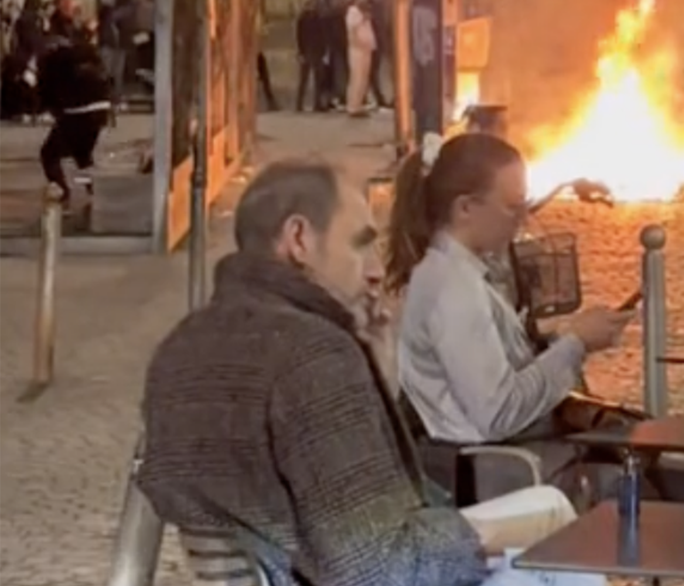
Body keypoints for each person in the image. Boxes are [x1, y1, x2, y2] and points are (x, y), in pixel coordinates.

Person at [138, 158, 597, 586]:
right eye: (360, 244)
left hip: (285, 562)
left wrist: (377, 374)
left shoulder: (181, 347)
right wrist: (472, 538)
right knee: (564, 544)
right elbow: (377, 567)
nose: (377, 270)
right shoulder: (310, 356)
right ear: (299, 239)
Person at [386, 133, 641, 498]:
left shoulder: (455, 274)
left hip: (494, 462)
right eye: (512, 207)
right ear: (465, 208)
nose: (522, 220)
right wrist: (575, 344)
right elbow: (498, 413)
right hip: (495, 476)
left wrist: (559, 335)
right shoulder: (453, 288)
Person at [37, 38, 110, 206]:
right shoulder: (85, 52)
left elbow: (46, 91)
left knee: (49, 154)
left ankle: (62, 192)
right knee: (82, 155)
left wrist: (49, 108)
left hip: (77, 111)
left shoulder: (50, 61)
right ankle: (94, 190)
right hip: (101, 108)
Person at [345, 0, 377, 116]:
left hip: (366, 48)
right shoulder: (353, 12)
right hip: (357, 49)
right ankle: (352, 106)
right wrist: (357, 42)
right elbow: (352, 29)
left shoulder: (364, 13)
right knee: (357, 78)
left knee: (364, 78)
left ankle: (359, 105)